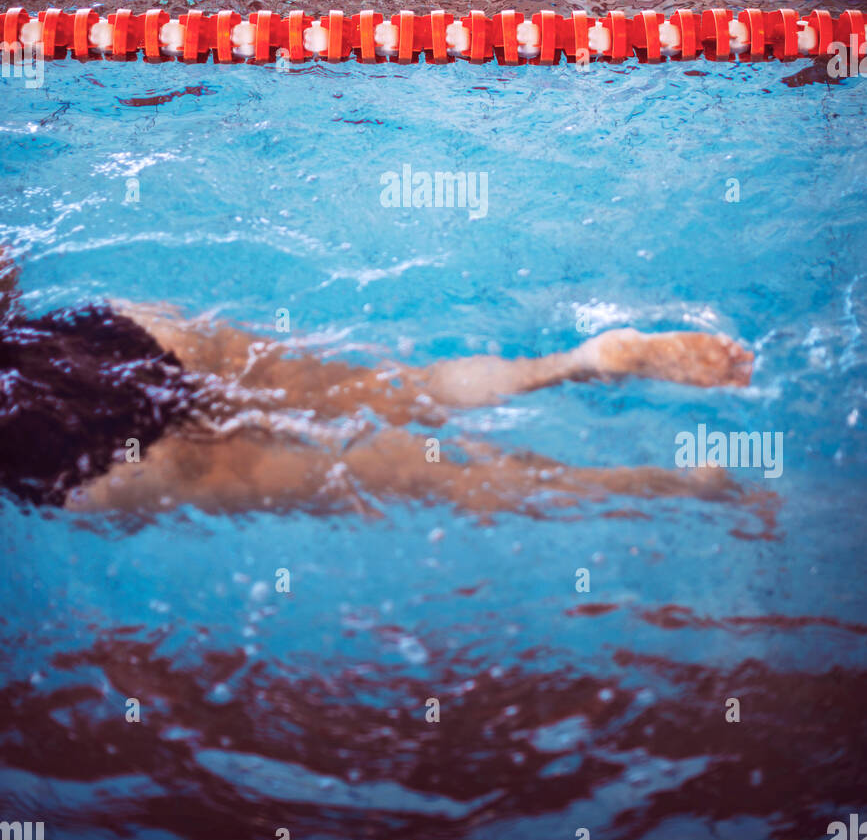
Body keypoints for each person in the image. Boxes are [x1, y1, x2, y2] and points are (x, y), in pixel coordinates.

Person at [0, 247, 754, 516]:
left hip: (65, 445)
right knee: (395, 390)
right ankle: (571, 363)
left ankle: (682, 486)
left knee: (417, 479)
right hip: (108, 338)